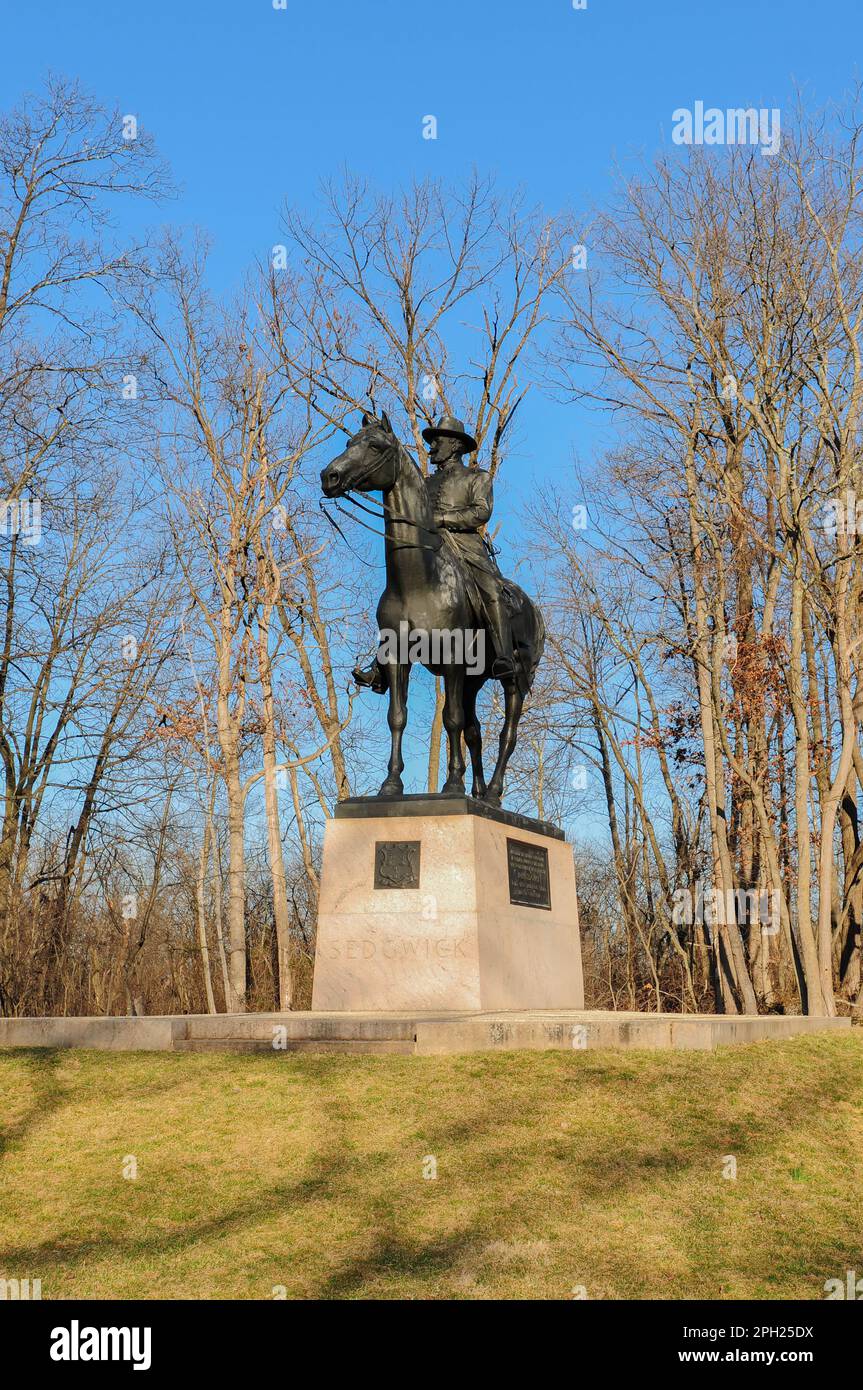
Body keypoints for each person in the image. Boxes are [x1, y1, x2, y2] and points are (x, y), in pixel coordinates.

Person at [353, 414, 518, 692]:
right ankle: (382, 665)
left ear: (454, 445)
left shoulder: (476, 477)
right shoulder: (424, 483)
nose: (431, 447)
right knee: (402, 595)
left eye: (437, 442)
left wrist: (441, 518)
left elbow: (481, 511)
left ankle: (502, 656)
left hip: (466, 547)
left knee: (491, 589)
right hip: (430, 546)